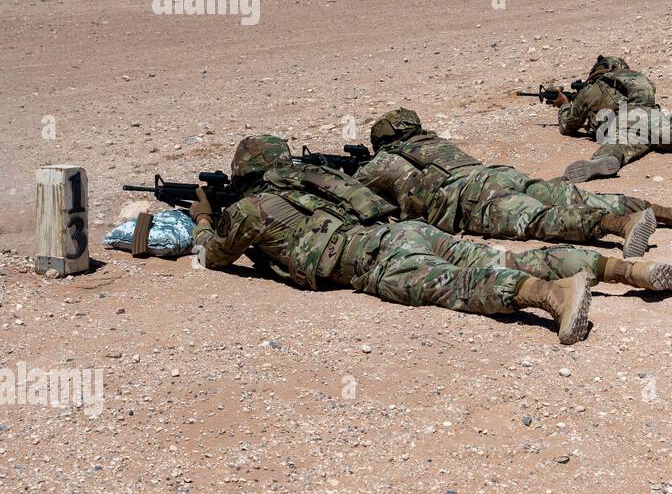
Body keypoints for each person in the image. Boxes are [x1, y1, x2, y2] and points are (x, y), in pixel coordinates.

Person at [189, 136, 602, 344]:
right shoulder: (318, 177)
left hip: (371, 257)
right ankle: (626, 269)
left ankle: (553, 294)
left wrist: (203, 217)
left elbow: (213, 255)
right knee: (501, 258)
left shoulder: (249, 210)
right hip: (403, 230)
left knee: (458, 286)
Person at [354, 108, 672, 258]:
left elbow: (352, 194)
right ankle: (671, 213)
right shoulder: (435, 142)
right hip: (500, 174)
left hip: (472, 198)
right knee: (573, 195)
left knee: (540, 220)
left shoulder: (383, 162)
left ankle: (623, 224)